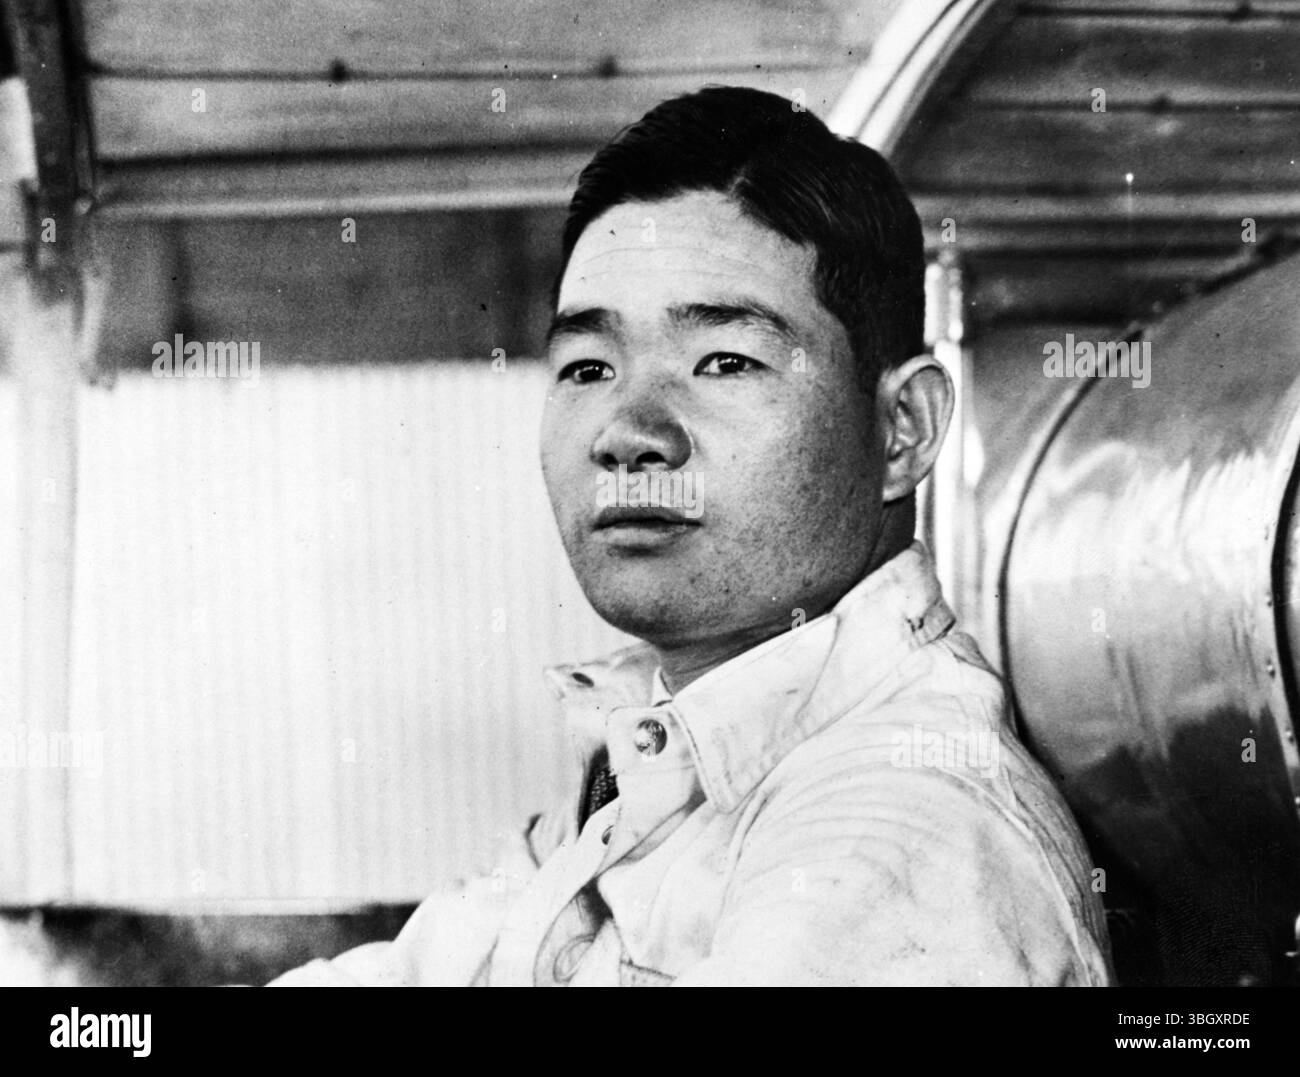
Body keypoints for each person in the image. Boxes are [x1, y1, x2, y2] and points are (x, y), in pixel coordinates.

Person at [269, 85, 1112, 986]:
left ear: (902, 426)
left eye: (724, 361)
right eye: (589, 365)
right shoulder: (666, 737)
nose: (628, 430)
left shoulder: (903, 840)